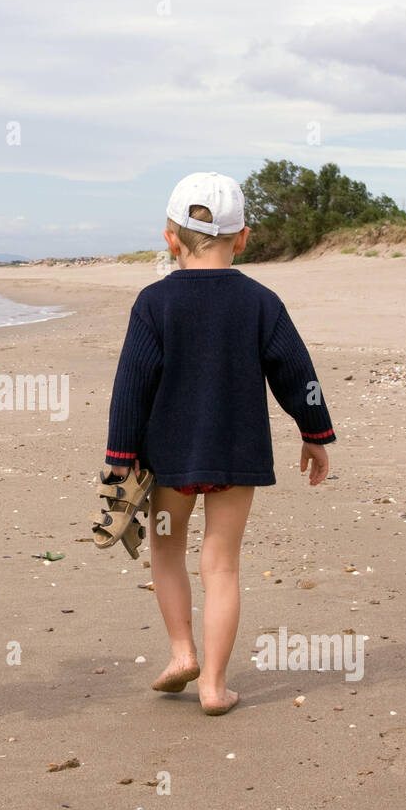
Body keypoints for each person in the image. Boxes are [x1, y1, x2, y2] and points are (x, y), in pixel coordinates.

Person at [103, 172, 336, 716]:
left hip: (169, 454)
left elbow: (132, 383)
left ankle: (182, 652)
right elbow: (297, 372)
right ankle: (214, 685)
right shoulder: (261, 301)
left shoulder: (154, 302)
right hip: (237, 449)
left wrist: (119, 458)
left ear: (169, 237)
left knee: (167, 548)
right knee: (223, 564)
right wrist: (315, 433)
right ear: (244, 238)